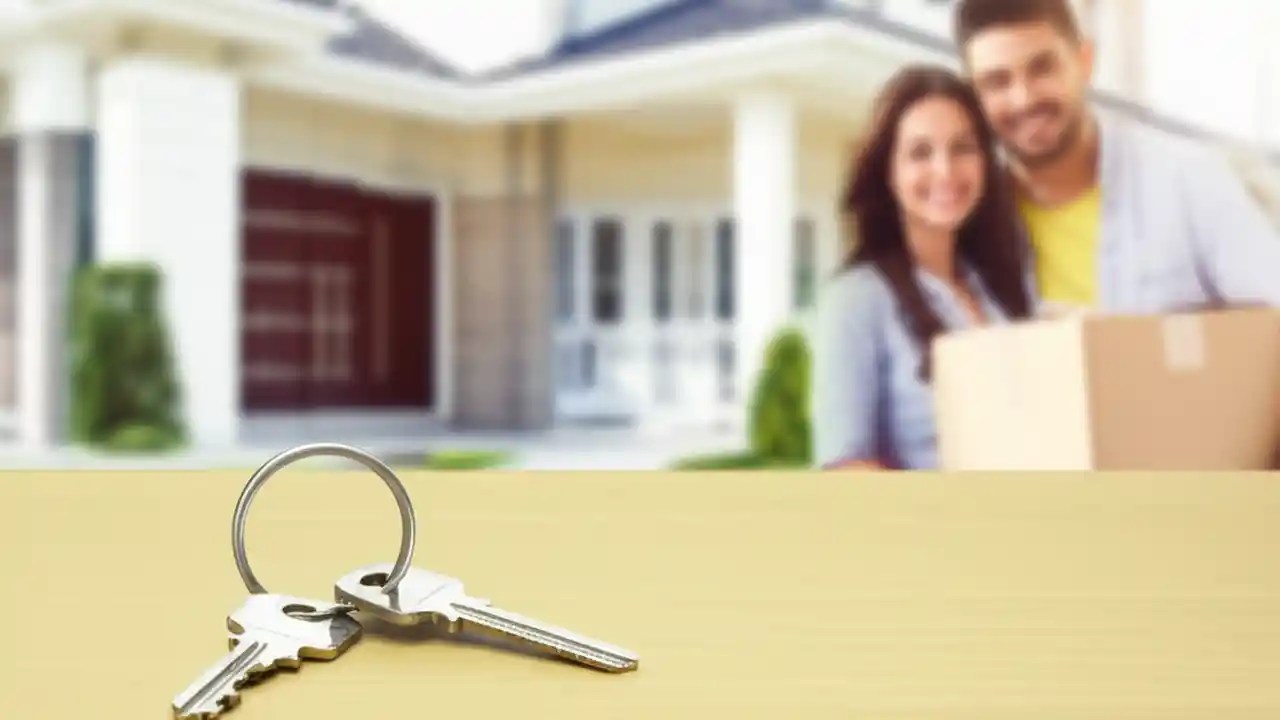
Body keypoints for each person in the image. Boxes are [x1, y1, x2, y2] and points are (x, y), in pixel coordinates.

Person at [953, 0, 1280, 313]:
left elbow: (1273, 308)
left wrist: (1144, 337)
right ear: (973, 95)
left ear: (1085, 61)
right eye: (997, 82)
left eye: (1042, 68)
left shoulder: (1189, 178)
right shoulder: (968, 219)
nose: (1023, 99)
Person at [812, 66, 1034, 471]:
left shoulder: (997, 290)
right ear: (889, 174)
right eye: (920, 153)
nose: (945, 170)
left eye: (963, 148)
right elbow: (844, 467)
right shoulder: (857, 300)